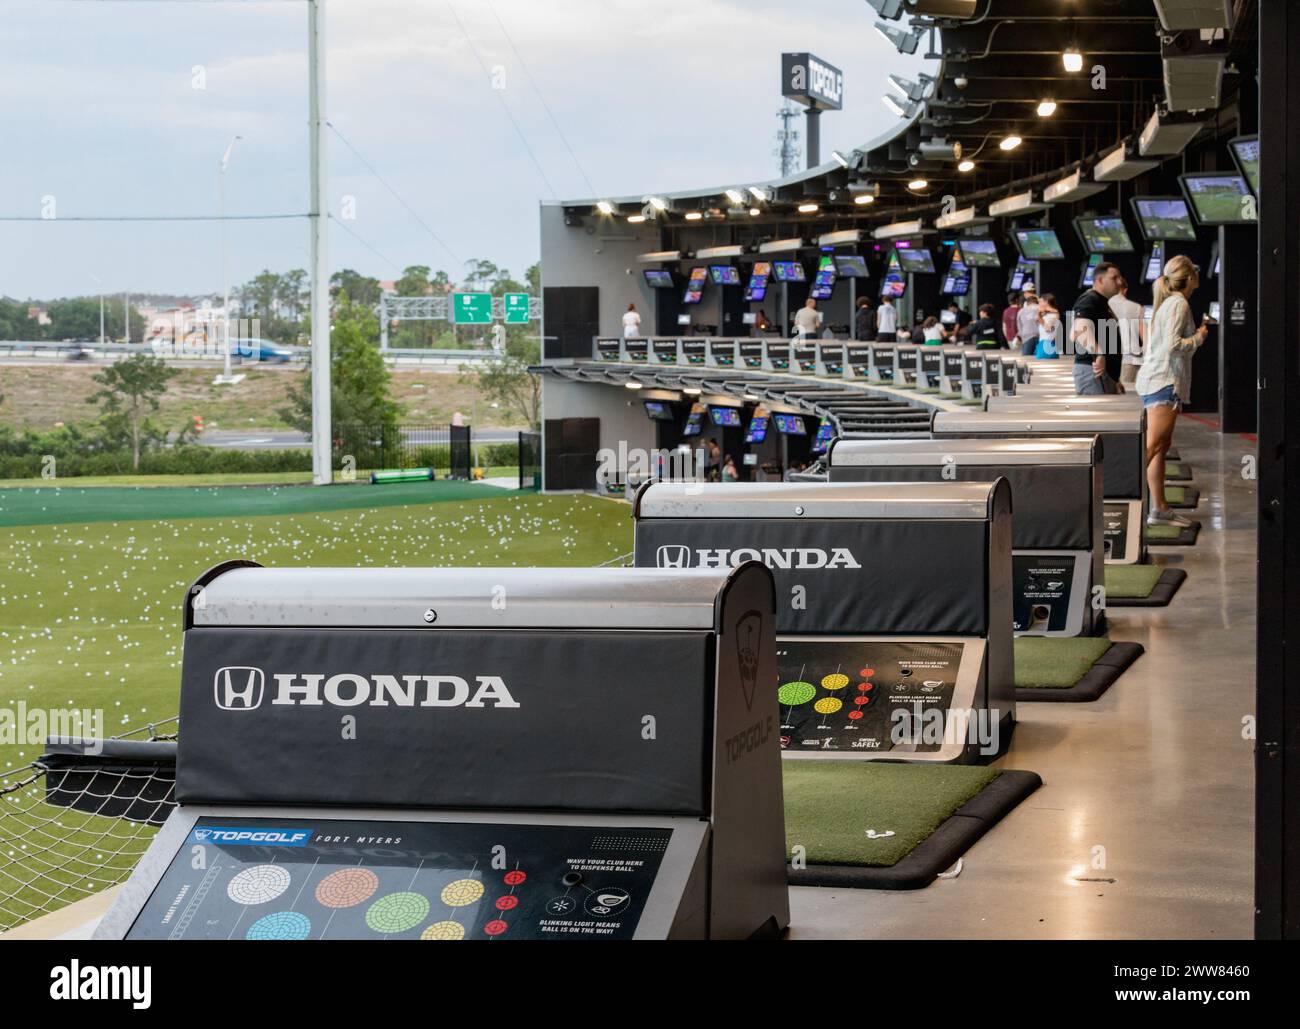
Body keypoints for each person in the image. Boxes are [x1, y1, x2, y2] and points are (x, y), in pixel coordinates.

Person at [1136, 255, 1209, 529]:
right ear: (1189, 277)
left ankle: (1160, 509)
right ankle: (1109, 499)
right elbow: (1173, 345)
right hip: (1163, 383)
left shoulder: (1169, 303)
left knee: (1159, 448)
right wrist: (1199, 338)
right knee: (1151, 447)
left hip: (1158, 381)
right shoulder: (1178, 304)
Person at [1070, 261, 1124, 395]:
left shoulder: (1102, 302)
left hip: (1103, 374)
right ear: (1099, 280)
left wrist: (1114, 378)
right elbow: (1079, 330)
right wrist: (1099, 353)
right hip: (1093, 372)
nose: (1119, 282)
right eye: (1114, 278)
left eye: (1119, 278)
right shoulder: (1089, 299)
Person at [1110, 276, 1146, 387]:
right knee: (1130, 397)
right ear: (1125, 290)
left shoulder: (1104, 305)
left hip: (1109, 360)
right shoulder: (1136, 307)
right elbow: (1145, 336)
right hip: (1132, 359)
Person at [1034, 293, 1061, 359]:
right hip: (1043, 344)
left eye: (1040, 301)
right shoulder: (1047, 314)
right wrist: (1040, 313)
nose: (1038, 304)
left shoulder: (1054, 315)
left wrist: (1040, 316)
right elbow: (1036, 320)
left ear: (1046, 302)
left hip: (1047, 346)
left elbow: (1048, 328)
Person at [1016, 287, 1041, 356]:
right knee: (1039, 359)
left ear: (1027, 303)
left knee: (1026, 359)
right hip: (1040, 337)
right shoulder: (1041, 309)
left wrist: (1021, 336)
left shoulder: (1021, 311)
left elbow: (1019, 327)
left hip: (1027, 337)